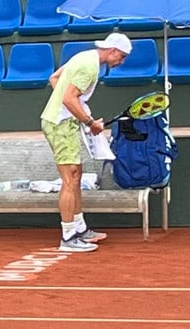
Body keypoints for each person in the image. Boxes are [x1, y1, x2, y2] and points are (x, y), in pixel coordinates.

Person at [40, 32, 132, 252]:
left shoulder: (84, 57)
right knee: (70, 178)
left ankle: (79, 228)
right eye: (123, 56)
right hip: (60, 124)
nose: (122, 61)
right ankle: (68, 236)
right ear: (114, 51)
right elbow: (69, 98)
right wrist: (90, 122)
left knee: (76, 174)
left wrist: (76, 111)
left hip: (63, 122)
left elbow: (55, 79)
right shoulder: (90, 67)